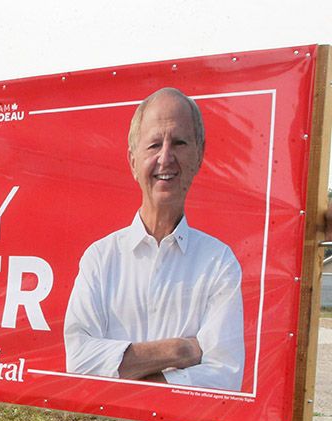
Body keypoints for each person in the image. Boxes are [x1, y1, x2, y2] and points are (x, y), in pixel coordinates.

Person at [63, 87, 244, 391]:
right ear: (133, 161)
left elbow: (225, 376)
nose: (165, 158)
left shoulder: (219, 263)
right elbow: (79, 362)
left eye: (180, 142)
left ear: (198, 156)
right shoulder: (100, 258)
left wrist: (124, 374)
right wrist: (179, 351)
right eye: (154, 144)